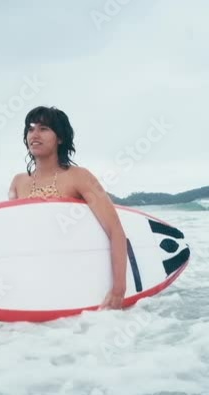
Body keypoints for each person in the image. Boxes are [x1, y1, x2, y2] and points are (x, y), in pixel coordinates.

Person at [7, 106, 127, 310]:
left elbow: (115, 230)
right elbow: (15, 238)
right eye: (30, 129)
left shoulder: (79, 177)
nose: (34, 134)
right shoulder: (18, 182)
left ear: (60, 138)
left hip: (76, 281)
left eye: (43, 128)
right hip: (37, 285)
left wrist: (118, 289)